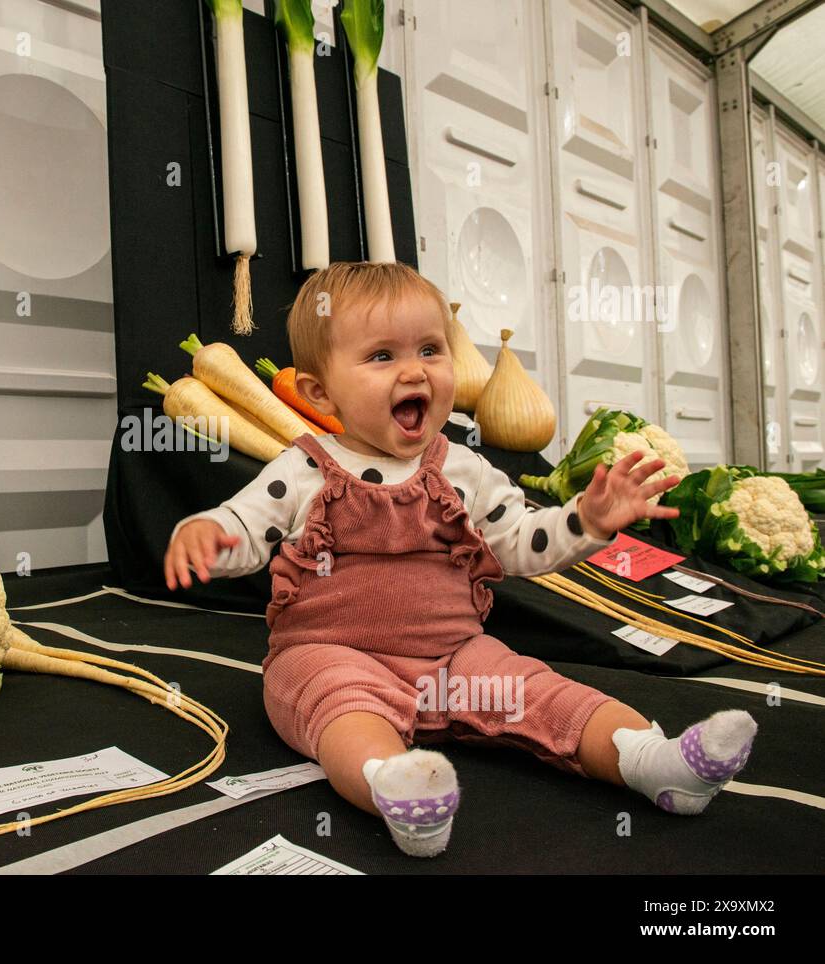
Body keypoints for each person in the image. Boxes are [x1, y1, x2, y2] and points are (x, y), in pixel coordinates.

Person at [163, 261, 757, 858]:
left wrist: (588, 520)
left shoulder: (464, 470)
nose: (415, 369)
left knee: (543, 693)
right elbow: (247, 524)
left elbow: (523, 541)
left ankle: (651, 759)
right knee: (341, 710)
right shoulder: (304, 468)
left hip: (454, 660)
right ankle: (397, 791)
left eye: (430, 348)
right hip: (331, 654)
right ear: (320, 392)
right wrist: (209, 533)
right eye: (381, 357)